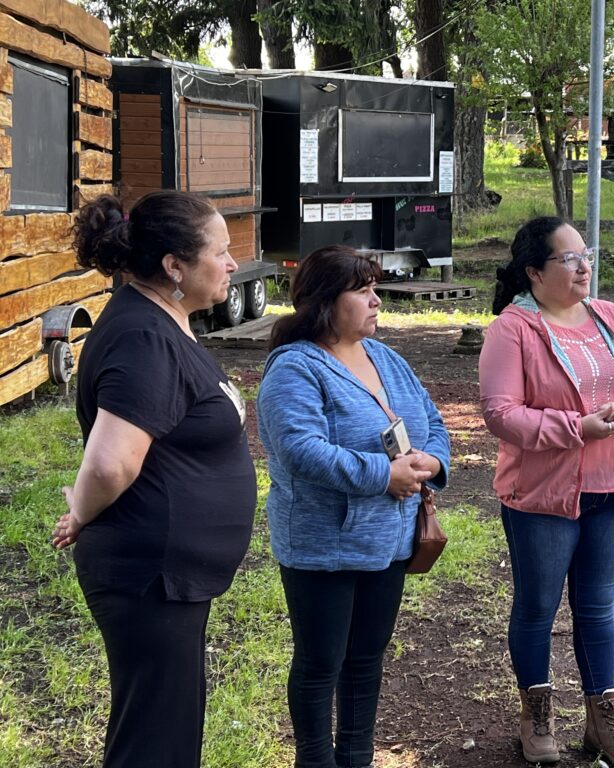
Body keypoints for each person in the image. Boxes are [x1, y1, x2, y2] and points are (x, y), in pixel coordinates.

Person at [51, 191, 257, 768]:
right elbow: (111, 462)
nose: (233, 262)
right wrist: (84, 513)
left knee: (168, 728)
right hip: (151, 577)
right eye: (220, 251)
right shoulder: (144, 335)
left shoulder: (160, 322)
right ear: (175, 265)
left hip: (169, 578)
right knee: (152, 741)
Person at [479, 217, 614, 768]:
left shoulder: (612, 317)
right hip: (542, 497)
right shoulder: (513, 329)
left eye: (586, 254)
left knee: (598, 611)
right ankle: (536, 715)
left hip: (611, 489)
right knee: (537, 609)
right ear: (534, 272)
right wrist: (574, 427)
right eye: (569, 259)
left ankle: (602, 722)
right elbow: (500, 412)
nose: (584, 266)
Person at [256, 246, 451, 768]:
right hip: (323, 545)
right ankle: (315, 761)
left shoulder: (386, 358)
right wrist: (382, 475)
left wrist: (431, 461)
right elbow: (300, 449)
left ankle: (357, 758)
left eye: (375, 289)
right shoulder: (295, 368)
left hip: (388, 540)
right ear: (325, 301)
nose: (375, 301)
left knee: (366, 659)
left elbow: (432, 420)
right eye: (362, 291)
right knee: (322, 663)